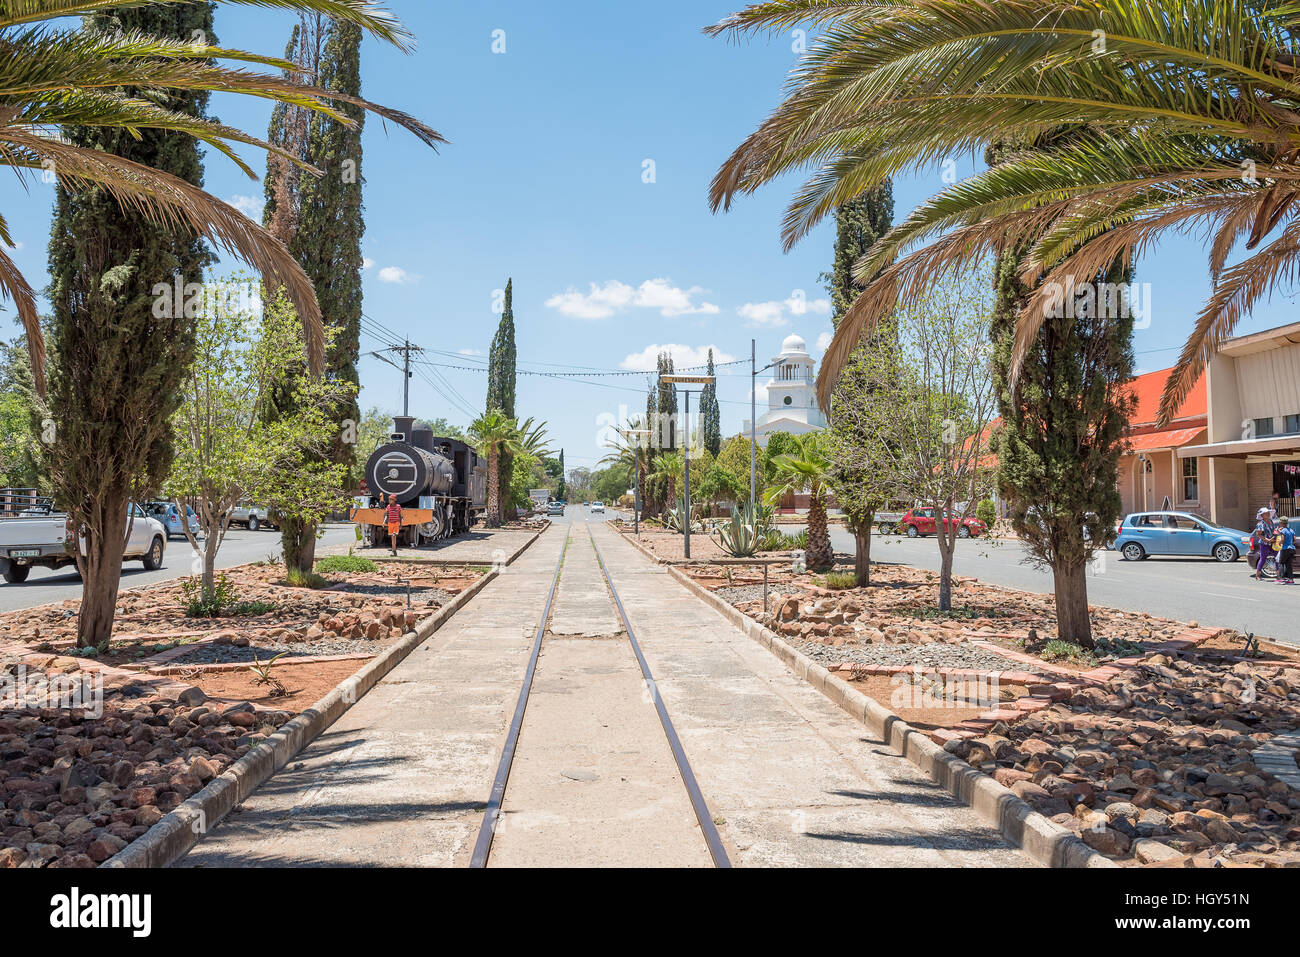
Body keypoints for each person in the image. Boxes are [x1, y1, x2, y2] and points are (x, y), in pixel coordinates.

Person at [1253, 507, 1275, 580]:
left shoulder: (1271, 521)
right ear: (1262, 515)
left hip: (1272, 543)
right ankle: (1258, 575)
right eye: (1266, 513)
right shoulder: (1260, 524)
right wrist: (1267, 540)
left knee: (1277, 557)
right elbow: (1258, 534)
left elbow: (1273, 531)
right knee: (1263, 559)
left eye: (1268, 513)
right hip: (1264, 544)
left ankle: (1279, 575)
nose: (1268, 514)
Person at [1276, 516, 1296, 584]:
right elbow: (1294, 540)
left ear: (1281, 523)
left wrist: (1279, 543)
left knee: (1281, 563)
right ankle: (1291, 579)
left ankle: (1281, 578)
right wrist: (1290, 544)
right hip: (1292, 549)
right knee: (1288, 564)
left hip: (1285, 549)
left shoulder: (1283, 530)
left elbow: (1282, 539)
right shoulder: (1291, 530)